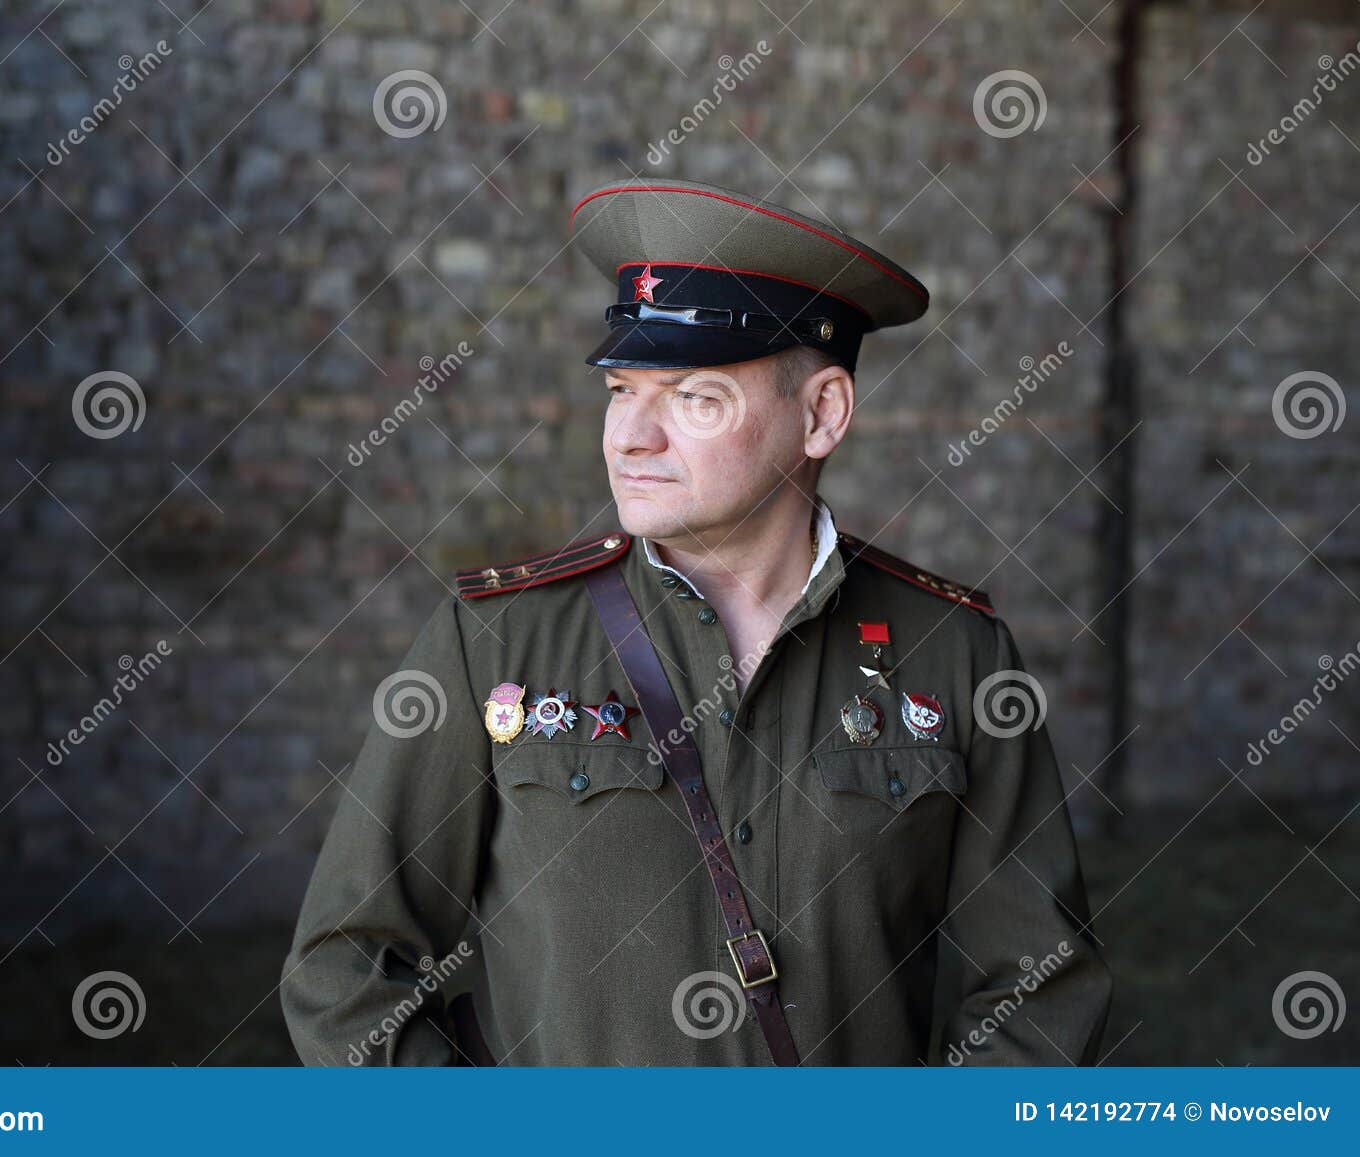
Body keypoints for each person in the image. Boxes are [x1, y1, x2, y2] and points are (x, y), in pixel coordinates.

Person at [280, 177, 1112, 1065]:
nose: (630, 435)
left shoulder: (955, 655)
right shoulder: (493, 644)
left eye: (693, 396)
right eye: (621, 389)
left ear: (822, 413)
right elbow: (347, 967)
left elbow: (1039, 989)